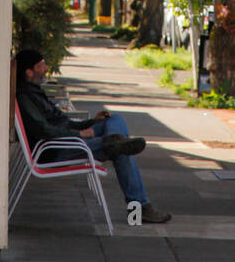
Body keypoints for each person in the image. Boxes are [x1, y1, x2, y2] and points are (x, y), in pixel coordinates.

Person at [15, 50, 171, 224]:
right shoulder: (25, 96)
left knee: (114, 119)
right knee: (121, 152)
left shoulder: (34, 91)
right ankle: (140, 207)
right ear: (29, 71)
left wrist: (90, 122)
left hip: (67, 140)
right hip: (56, 148)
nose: (46, 68)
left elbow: (63, 122)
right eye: (41, 65)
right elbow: (43, 130)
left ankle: (114, 141)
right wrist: (79, 134)